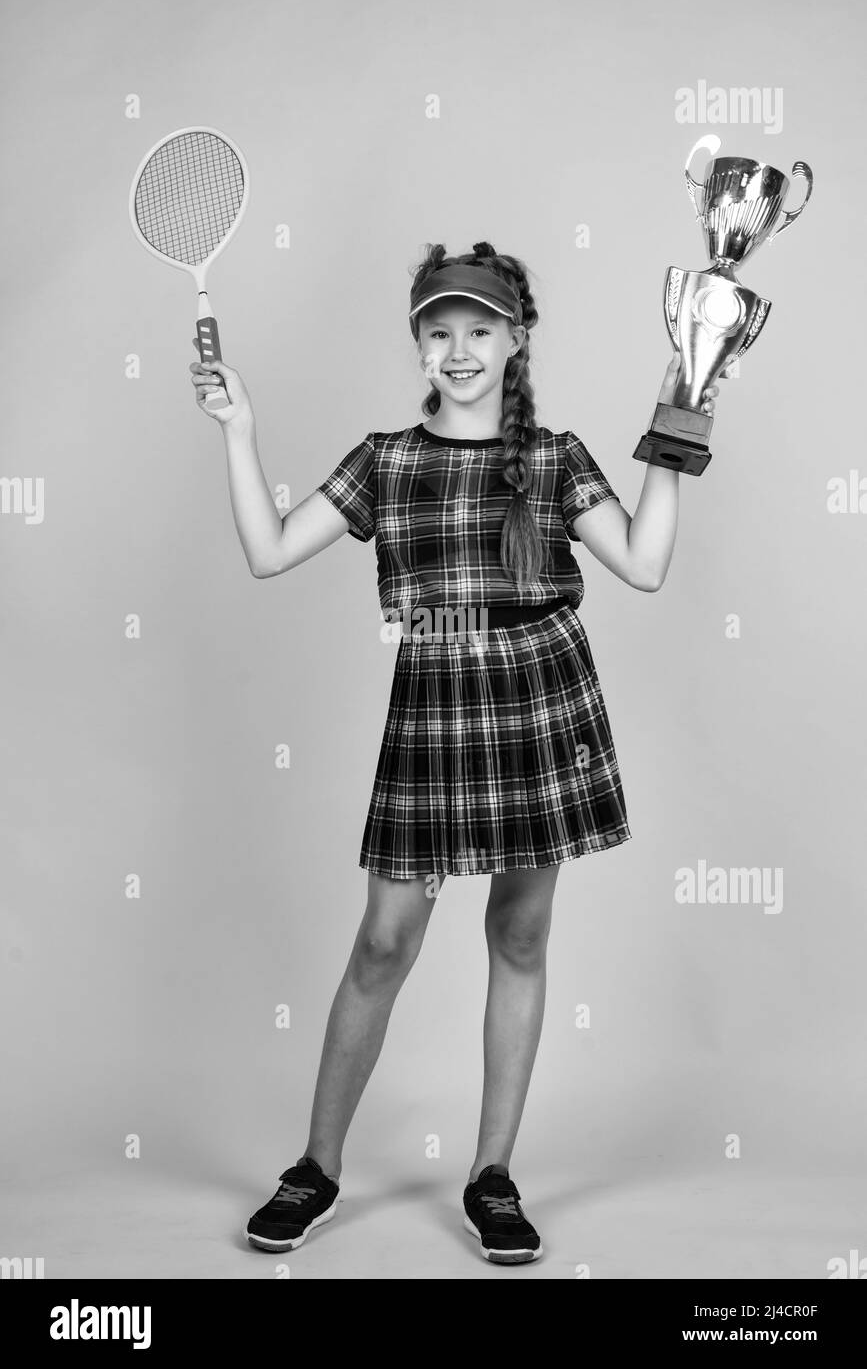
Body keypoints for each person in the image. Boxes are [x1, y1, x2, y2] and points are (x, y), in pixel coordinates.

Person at [189, 241, 732, 1266]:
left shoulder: (555, 456)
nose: (459, 348)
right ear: (419, 344)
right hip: (434, 708)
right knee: (385, 942)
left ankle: (492, 1175)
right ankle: (315, 1168)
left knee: (520, 937)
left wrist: (679, 418)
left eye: (480, 328)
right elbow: (266, 550)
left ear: (516, 337)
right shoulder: (386, 459)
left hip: (541, 701)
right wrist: (240, 428)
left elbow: (647, 564)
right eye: (439, 330)